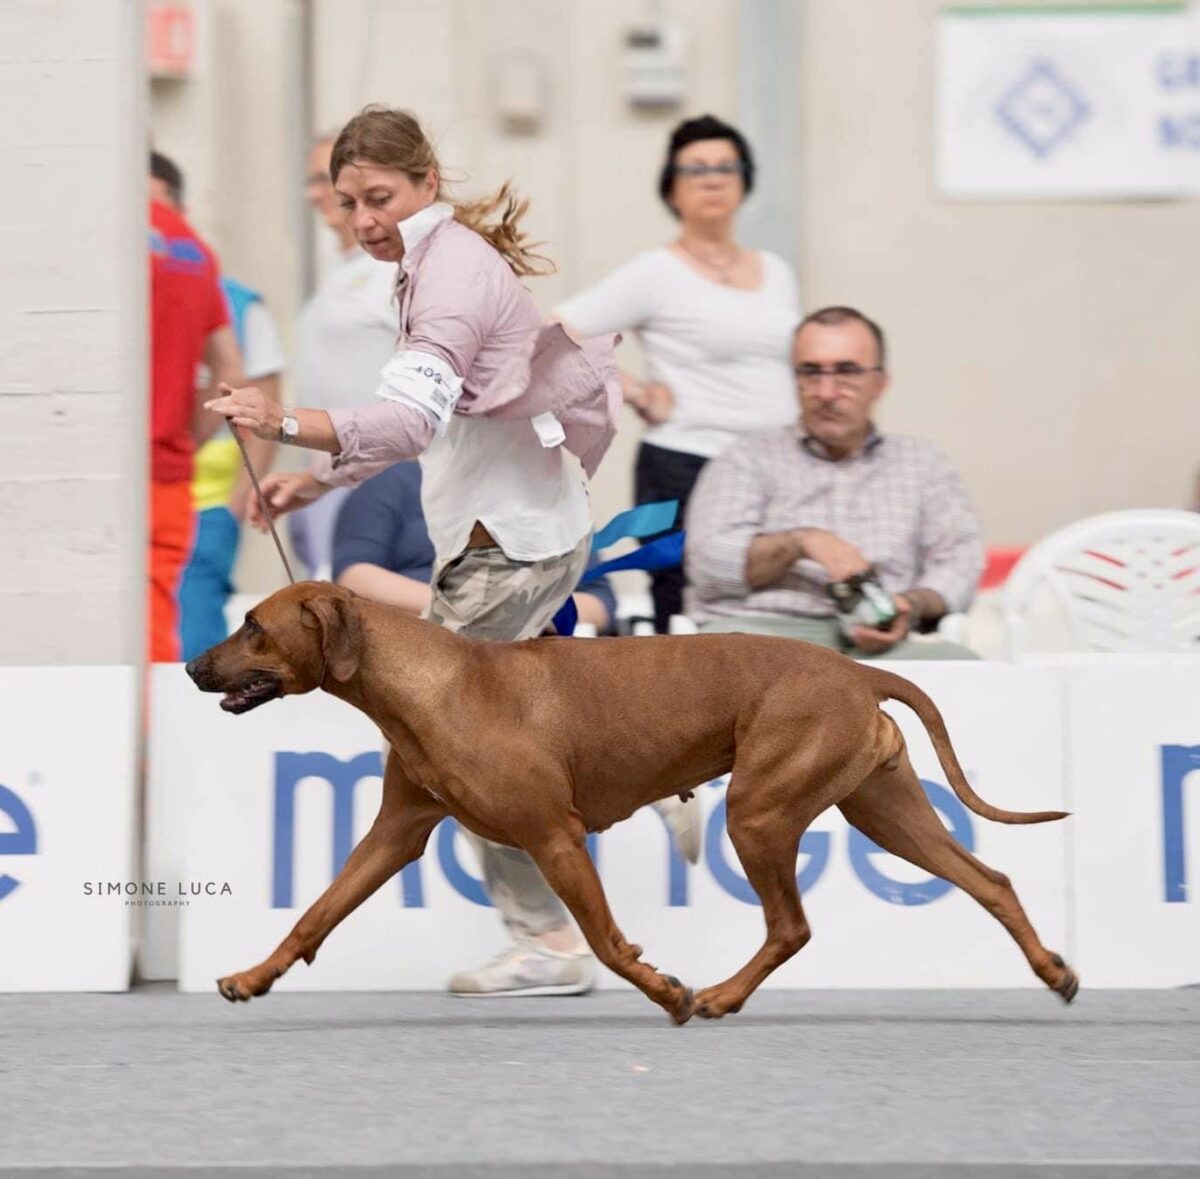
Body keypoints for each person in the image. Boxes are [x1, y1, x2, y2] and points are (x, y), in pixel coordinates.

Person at [206, 105, 697, 998]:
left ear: (428, 182)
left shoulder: (449, 278)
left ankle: (550, 937)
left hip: (510, 545)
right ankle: (651, 770)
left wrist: (277, 421)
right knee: (464, 758)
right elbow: (427, 435)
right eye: (347, 201)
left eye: (379, 196)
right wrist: (314, 481)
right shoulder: (430, 262)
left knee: (459, 761)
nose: (362, 220)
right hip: (511, 533)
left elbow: (406, 419)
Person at [556, 114, 801, 632]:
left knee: (777, 611)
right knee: (688, 619)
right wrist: (632, 388)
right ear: (672, 187)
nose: (713, 179)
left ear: (745, 181)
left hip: (774, 468)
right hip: (687, 465)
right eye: (695, 170)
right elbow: (552, 336)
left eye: (725, 167)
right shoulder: (655, 271)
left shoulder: (778, 272)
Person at [684, 306, 984, 659]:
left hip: (887, 637)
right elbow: (707, 568)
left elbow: (960, 563)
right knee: (719, 659)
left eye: (847, 372)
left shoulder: (923, 462)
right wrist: (800, 543)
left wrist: (909, 605)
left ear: (880, 383)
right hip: (767, 634)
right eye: (810, 373)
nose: (826, 392)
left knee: (963, 666)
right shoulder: (745, 458)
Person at [147, 161, 286, 661]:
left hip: (202, 505)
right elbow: (229, 363)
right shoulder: (197, 261)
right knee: (170, 640)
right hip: (172, 482)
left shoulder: (241, 301)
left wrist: (235, 505)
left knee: (184, 640)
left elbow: (262, 404)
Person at [288, 134, 403, 578]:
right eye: (313, 181)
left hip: (379, 477)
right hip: (329, 473)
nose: (316, 194)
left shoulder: (392, 270)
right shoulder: (343, 273)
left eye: (326, 180)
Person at [332, 462, 618, 634]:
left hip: (528, 654)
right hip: (419, 641)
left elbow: (599, 602)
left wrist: (514, 616)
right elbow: (354, 578)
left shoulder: (549, 493)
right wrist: (465, 611)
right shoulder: (394, 482)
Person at [147, 151, 243, 662]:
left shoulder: (102, 235)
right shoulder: (195, 252)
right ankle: (141, 743)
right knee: (156, 620)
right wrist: (187, 435)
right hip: (167, 472)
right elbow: (230, 368)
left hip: (97, 474)